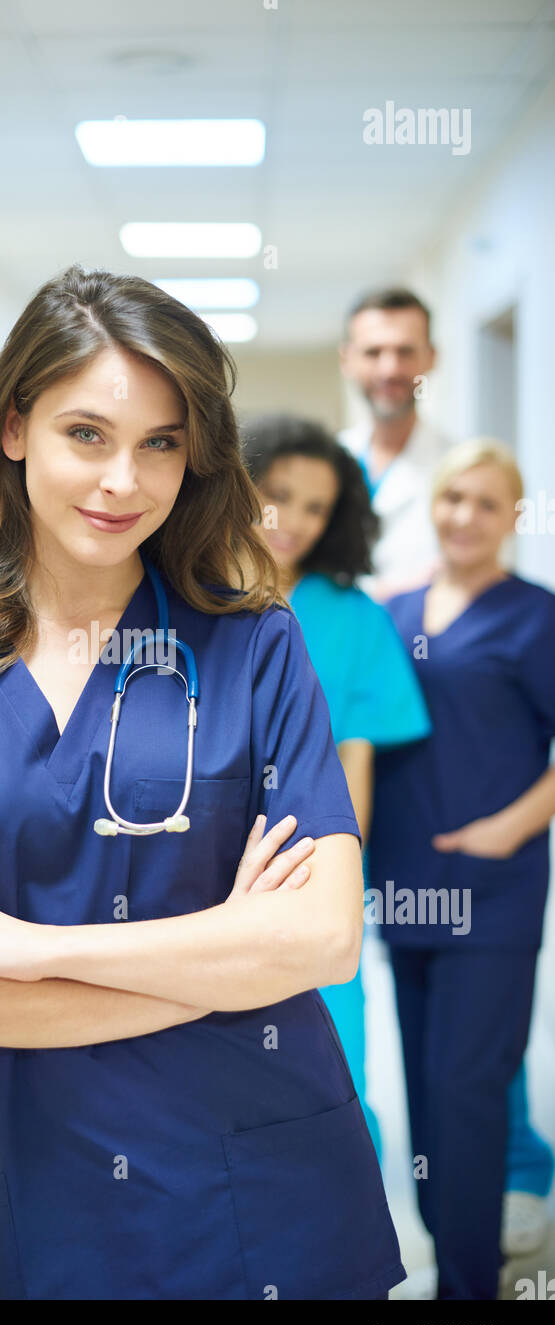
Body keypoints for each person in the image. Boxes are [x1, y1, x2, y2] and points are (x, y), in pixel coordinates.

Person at [0, 264, 406, 1300]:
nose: (122, 481)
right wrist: (225, 954)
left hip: (263, 1185)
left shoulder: (255, 647)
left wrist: (30, 950)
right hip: (35, 1191)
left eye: (160, 444)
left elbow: (320, 940)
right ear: (15, 429)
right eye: (86, 434)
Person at [341, 291, 552, 1261]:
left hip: (493, 884)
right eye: (452, 500)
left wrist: (513, 826)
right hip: (404, 878)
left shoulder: (534, 616)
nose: (465, 516)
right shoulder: (392, 610)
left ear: (513, 516)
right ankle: (450, 1253)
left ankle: (466, 1292)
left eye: (486, 503)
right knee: (424, 1088)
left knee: (469, 1084)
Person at [243, 414, 431, 1161]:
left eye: (316, 507)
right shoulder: (184, 597)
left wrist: (337, 881)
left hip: (312, 868)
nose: (292, 520)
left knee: (333, 1059)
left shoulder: (353, 619)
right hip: (194, 871)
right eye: (277, 494)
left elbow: (354, 764)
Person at [338, 287, 452, 601]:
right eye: (373, 353)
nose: (390, 370)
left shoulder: (458, 468)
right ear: (346, 359)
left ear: (431, 357)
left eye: (405, 352)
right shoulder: (328, 461)